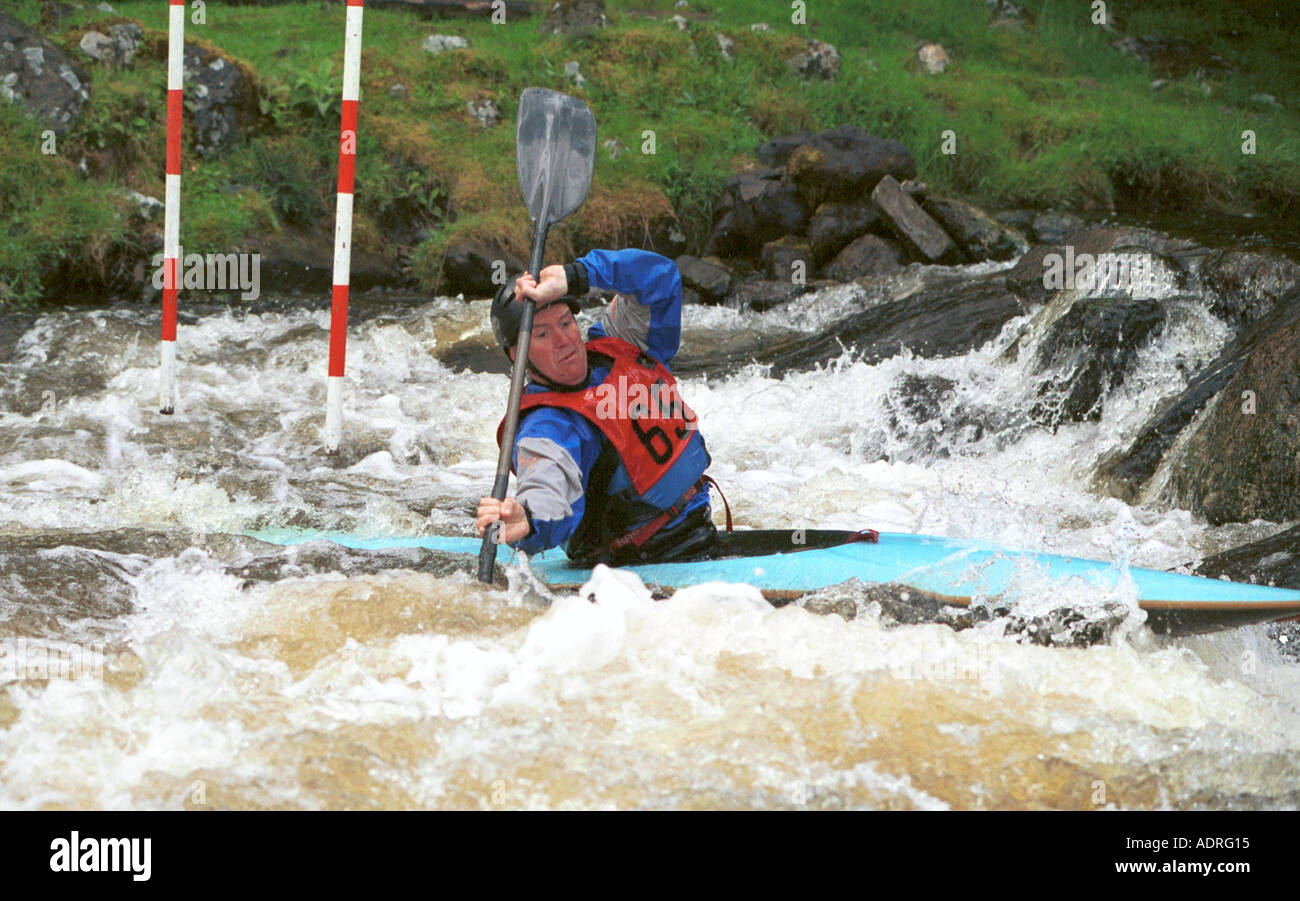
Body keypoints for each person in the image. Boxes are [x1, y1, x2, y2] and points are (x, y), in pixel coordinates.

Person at [475, 248, 722, 566]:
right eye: (542, 334)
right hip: (634, 563)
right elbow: (548, 485)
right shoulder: (548, 425)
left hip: (695, 529)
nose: (563, 340)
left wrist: (576, 275)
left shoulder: (621, 343)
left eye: (565, 322)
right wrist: (529, 518)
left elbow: (659, 280)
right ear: (516, 354)